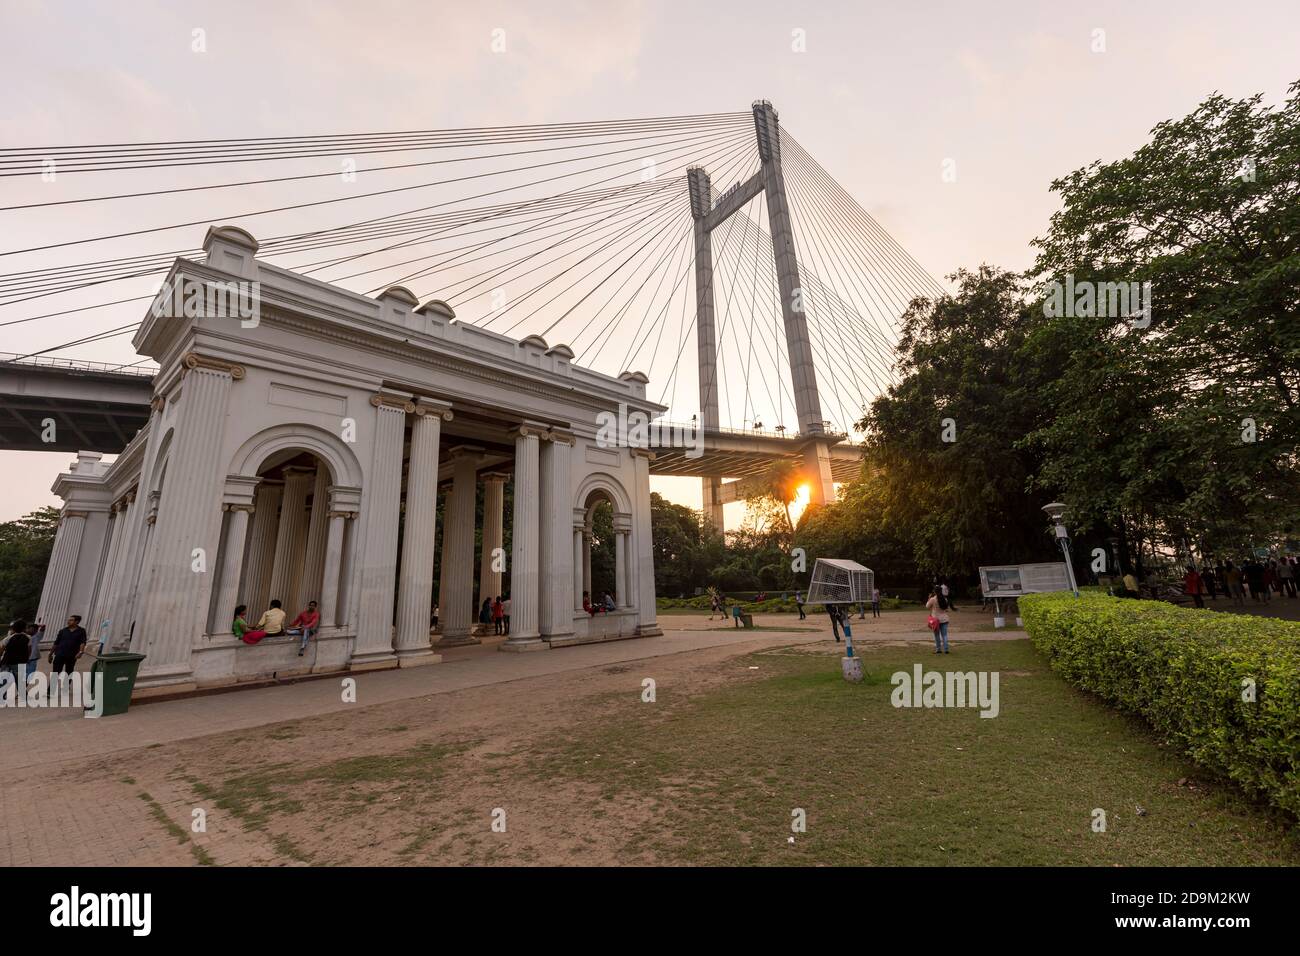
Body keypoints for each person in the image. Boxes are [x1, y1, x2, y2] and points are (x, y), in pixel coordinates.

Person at [49, 614, 87, 679]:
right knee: (56, 672)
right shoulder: (63, 631)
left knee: (69, 672)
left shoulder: (81, 631)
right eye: (69, 620)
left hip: (72, 655)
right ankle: (51, 688)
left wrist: (80, 652)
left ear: (77, 622)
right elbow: (56, 643)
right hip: (60, 654)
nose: (68, 621)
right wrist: (50, 654)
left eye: (71, 620)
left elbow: (82, 642)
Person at [1, 619, 29, 691]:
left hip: (6, 661)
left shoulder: (8, 638)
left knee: (4, 680)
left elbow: (1, 650)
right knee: (20, 681)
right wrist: (26, 659)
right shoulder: (28, 638)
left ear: (13, 628)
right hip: (20, 662)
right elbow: (29, 650)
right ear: (24, 628)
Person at [926, 587, 951, 654]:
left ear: (934, 592)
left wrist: (928, 598)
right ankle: (946, 649)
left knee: (937, 635)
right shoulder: (944, 599)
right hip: (944, 619)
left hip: (935, 620)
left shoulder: (933, 599)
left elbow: (927, 606)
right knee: (944, 635)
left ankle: (938, 649)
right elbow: (946, 608)